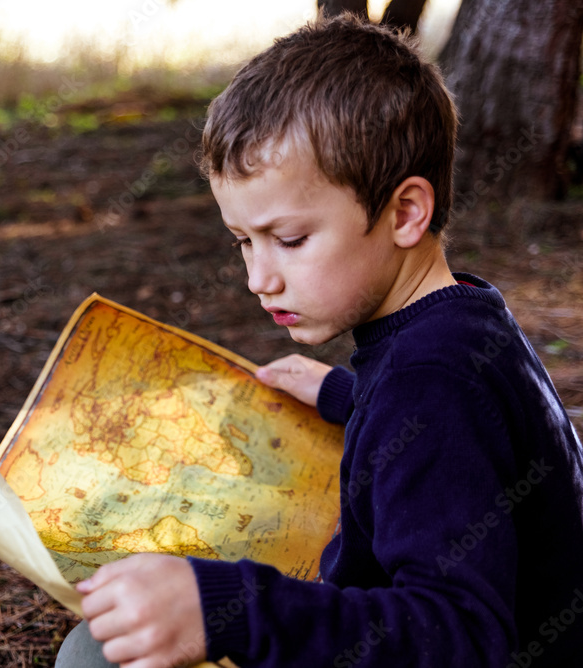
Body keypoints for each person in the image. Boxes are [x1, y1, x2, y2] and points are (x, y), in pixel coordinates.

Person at [55, 14, 583, 668]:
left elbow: (463, 636)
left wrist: (234, 612)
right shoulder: (463, 324)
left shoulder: (431, 385)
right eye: (244, 241)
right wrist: (351, 396)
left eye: (291, 239)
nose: (258, 277)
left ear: (405, 213)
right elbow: (467, 434)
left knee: (93, 654)